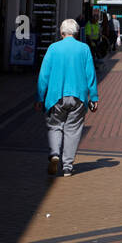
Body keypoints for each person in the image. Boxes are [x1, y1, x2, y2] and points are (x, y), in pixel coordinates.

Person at [36, 18, 99, 177]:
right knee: (73, 129)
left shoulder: (53, 48)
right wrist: (94, 97)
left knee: (54, 126)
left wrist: (40, 97)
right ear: (77, 32)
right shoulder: (84, 49)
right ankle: (68, 166)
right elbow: (90, 74)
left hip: (56, 96)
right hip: (78, 96)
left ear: (61, 32)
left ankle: (55, 153)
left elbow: (44, 75)